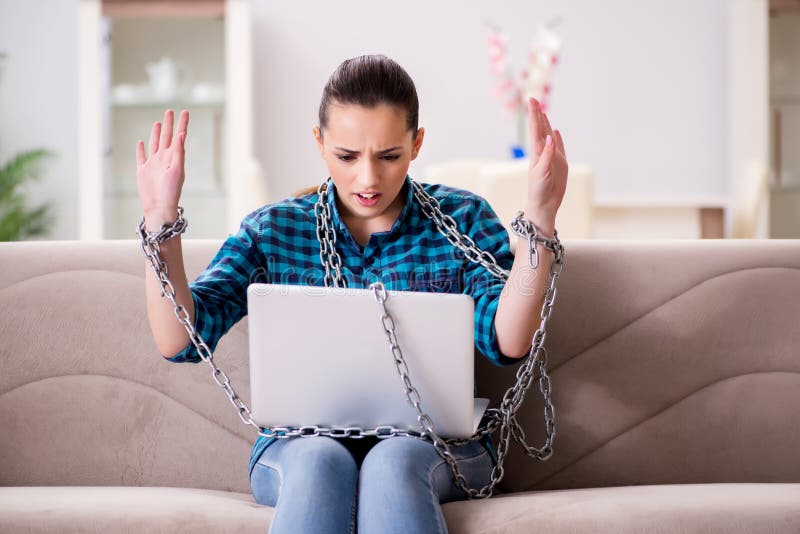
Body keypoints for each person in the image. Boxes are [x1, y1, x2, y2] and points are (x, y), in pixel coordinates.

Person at [137, 54, 568, 534]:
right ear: (319, 143)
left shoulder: (462, 219)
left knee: (392, 461)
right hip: (300, 444)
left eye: (389, 156)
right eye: (347, 156)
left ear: (416, 144)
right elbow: (180, 340)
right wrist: (160, 220)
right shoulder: (273, 230)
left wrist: (540, 220)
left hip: (438, 445)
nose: (368, 179)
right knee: (320, 461)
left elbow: (507, 340)